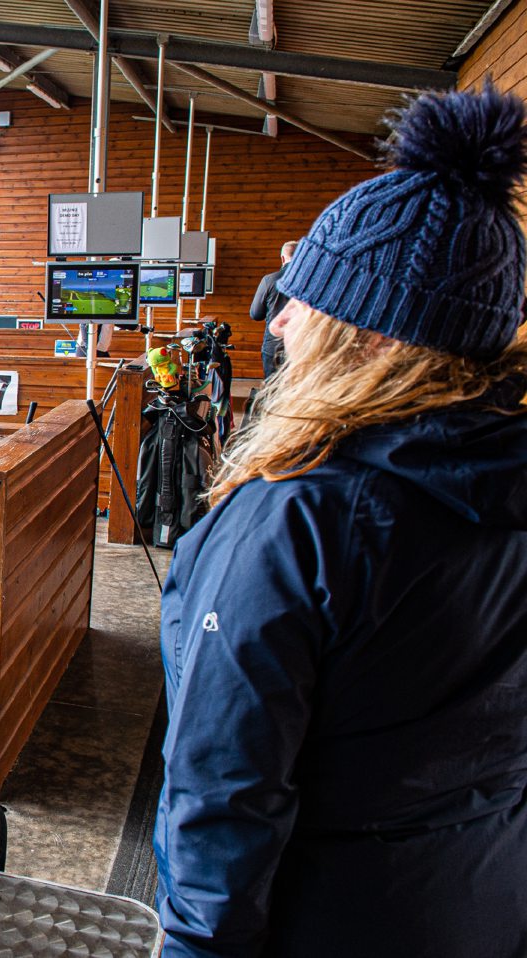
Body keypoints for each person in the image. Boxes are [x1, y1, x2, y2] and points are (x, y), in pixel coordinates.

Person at [154, 84, 527, 957]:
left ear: (377, 338)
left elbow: (222, 795)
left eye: (306, 304)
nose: (278, 321)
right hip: (481, 903)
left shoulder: (297, 520)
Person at [249, 239, 299, 378]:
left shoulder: (270, 280)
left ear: (283, 258)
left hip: (274, 346)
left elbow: (256, 314)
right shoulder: (311, 281)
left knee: (273, 391)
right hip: (301, 344)